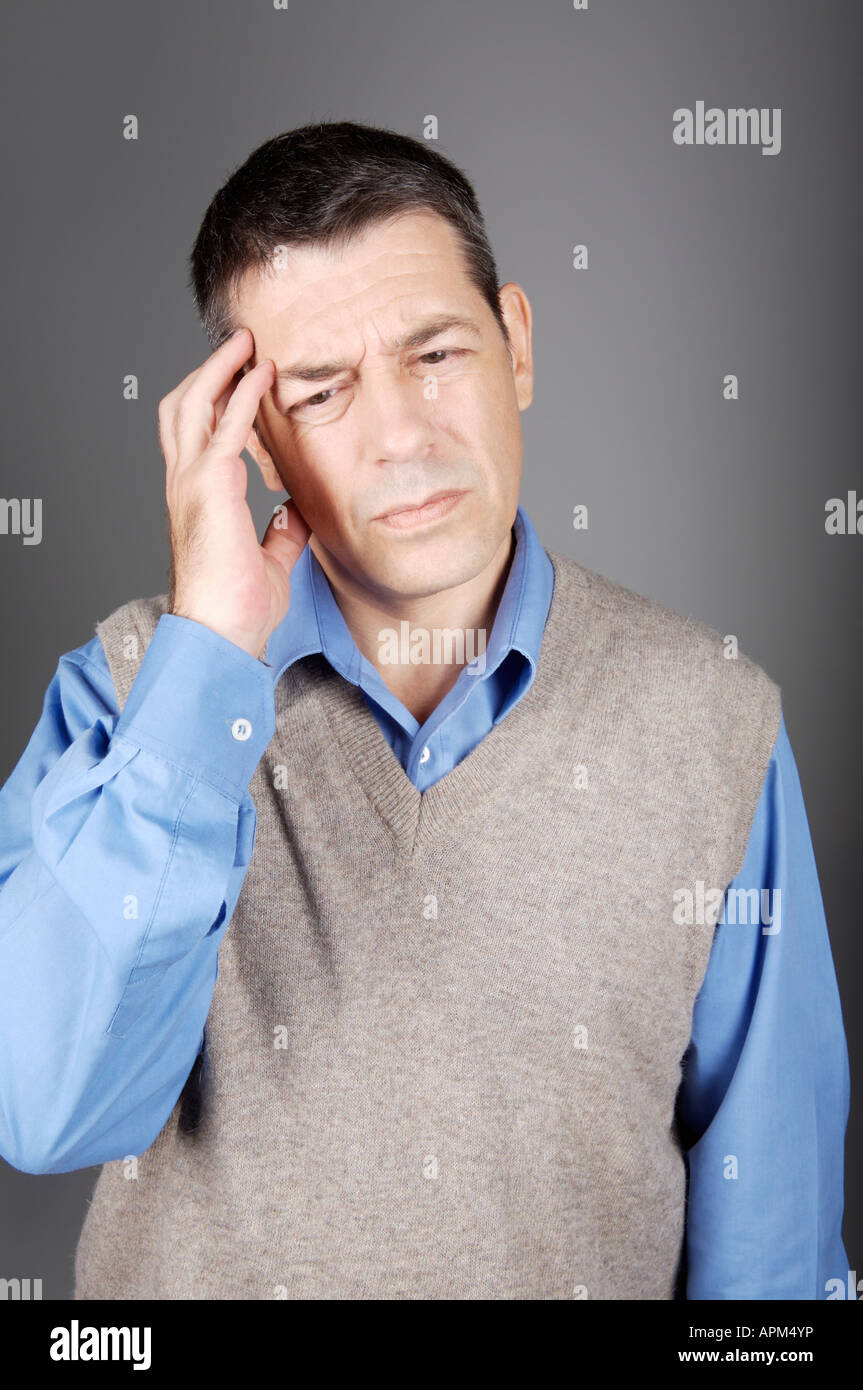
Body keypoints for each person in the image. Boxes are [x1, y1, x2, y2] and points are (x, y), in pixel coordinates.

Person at [0, 121, 850, 1300]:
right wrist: (202, 674)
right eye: (322, 390)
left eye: (436, 355)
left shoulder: (712, 719)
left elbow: (773, 1238)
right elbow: (44, 1109)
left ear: (516, 345)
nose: (401, 437)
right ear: (255, 441)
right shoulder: (129, 688)